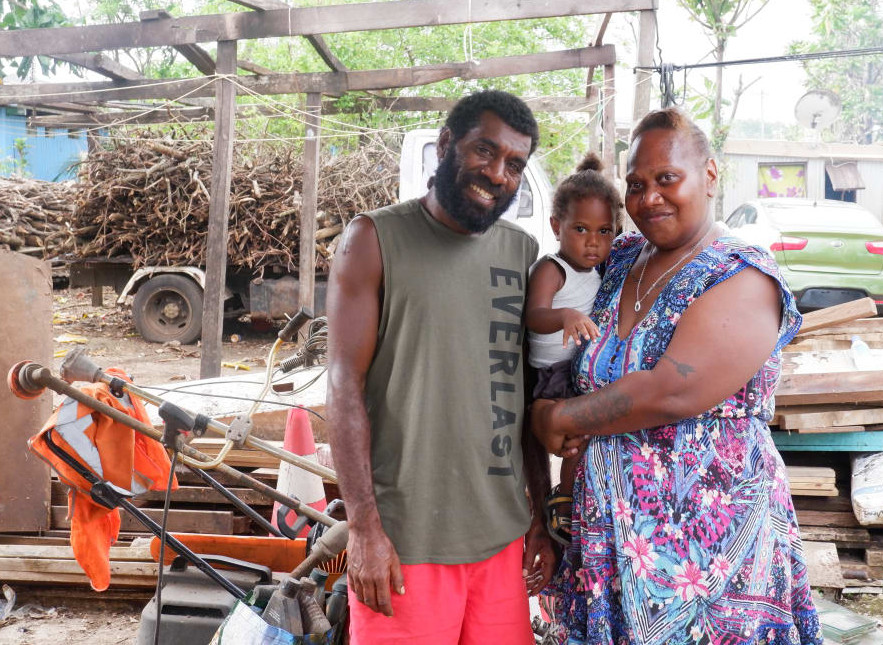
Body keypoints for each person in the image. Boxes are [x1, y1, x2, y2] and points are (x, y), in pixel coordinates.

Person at [531, 107, 823, 644]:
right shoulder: (619, 262)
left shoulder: (741, 272)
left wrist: (560, 416)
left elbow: (672, 389)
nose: (648, 198)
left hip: (707, 544)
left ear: (710, 175)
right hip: (609, 538)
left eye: (667, 179)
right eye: (636, 184)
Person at [325, 89, 555, 645]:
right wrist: (363, 530)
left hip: (500, 540)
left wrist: (540, 519)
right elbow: (343, 386)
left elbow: (522, 394)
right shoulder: (374, 240)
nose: (498, 173)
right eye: (485, 151)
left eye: (514, 165)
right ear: (447, 144)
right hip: (406, 544)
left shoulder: (522, 253)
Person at [524, 153, 621, 545]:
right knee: (576, 440)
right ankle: (562, 504)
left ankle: (571, 498)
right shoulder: (553, 268)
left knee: (591, 435)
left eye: (605, 231)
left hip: (577, 368)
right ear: (556, 226)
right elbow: (534, 315)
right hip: (553, 373)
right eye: (581, 229)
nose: (594, 242)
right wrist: (563, 315)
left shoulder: (598, 271)